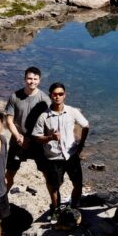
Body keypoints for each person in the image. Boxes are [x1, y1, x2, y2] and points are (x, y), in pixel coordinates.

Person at [31, 82, 89, 219]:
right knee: (55, 186)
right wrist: (50, 137)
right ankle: (56, 210)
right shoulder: (44, 116)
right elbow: (36, 137)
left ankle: (73, 207)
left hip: (71, 154)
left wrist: (81, 145)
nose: (58, 97)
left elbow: (86, 125)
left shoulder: (72, 111)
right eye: (55, 94)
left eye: (60, 94)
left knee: (78, 184)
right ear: (51, 95)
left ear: (65, 95)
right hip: (54, 157)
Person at [4, 66, 51, 190]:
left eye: (35, 79)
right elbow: (9, 120)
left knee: (48, 173)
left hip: (38, 142)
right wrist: (18, 137)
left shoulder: (45, 100)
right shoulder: (15, 96)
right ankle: (1, 199)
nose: (32, 81)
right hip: (18, 141)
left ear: (39, 80)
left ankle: (55, 206)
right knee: (10, 172)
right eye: (29, 78)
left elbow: (50, 123)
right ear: (25, 79)